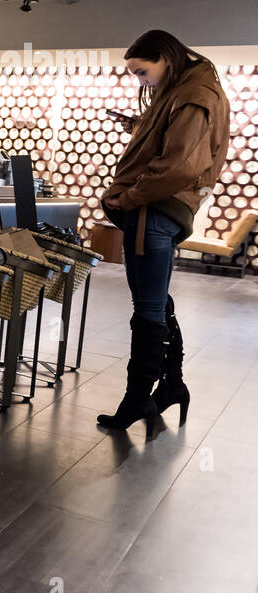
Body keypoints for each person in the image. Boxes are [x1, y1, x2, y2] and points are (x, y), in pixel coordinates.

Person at [98, 30, 231, 435]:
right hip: (156, 212)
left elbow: (180, 164)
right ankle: (171, 385)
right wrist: (141, 126)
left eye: (142, 71)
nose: (140, 81)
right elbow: (177, 146)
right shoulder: (188, 90)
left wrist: (130, 197)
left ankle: (139, 397)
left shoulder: (194, 94)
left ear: (165, 58)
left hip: (154, 211)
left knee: (149, 308)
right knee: (153, 301)